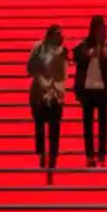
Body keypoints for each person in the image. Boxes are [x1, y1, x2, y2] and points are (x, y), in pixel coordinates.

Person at [74, 15, 107, 167]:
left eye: (104, 30)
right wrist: (91, 52)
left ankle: (101, 155)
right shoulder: (85, 45)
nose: (103, 33)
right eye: (100, 30)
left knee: (103, 124)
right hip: (87, 89)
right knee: (87, 124)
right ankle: (89, 155)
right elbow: (78, 56)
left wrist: (104, 52)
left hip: (103, 89)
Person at [27, 25, 69, 172]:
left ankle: (53, 155)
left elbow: (62, 74)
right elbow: (30, 68)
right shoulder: (38, 48)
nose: (60, 38)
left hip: (55, 93)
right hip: (39, 92)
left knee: (55, 126)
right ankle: (41, 153)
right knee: (39, 125)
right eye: (57, 35)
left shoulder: (62, 52)